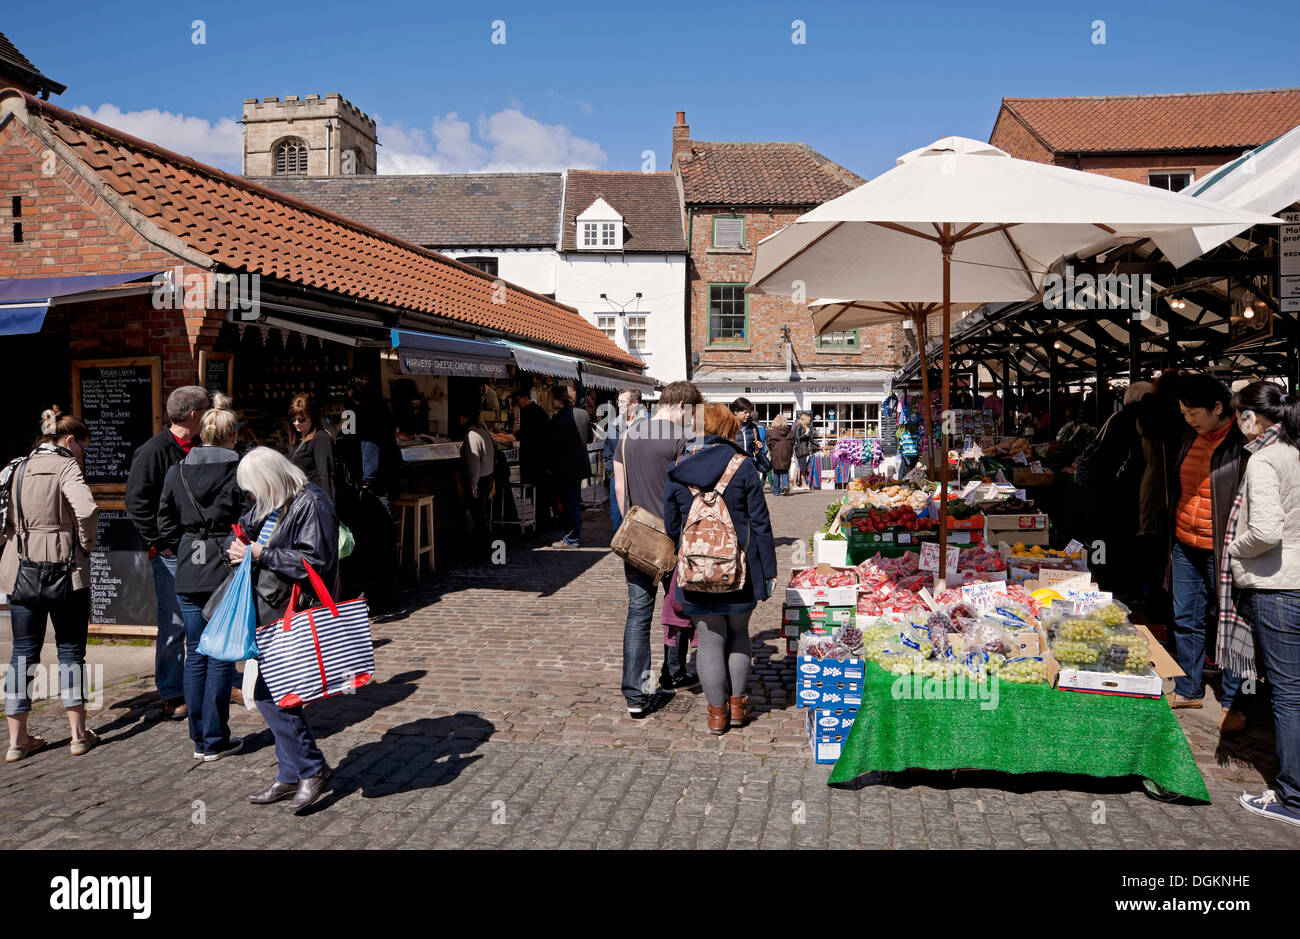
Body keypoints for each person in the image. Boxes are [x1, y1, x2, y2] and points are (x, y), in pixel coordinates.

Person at [228, 448, 338, 814]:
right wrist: (243, 544)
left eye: (256, 488)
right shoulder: (281, 500)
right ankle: (292, 773)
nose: (254, 496)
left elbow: (314, 561)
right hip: (275, 610)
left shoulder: (312, 503)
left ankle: (310, 768)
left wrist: (260, 554)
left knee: (272, 693)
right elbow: (251, 527)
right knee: (276, 691)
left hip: (297, 610)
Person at [664, 403, 777, 735]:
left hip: (696, 572)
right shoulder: (742, 467)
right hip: (739, 570)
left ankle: (716, 714)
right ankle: (738, 706)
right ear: (729, 430)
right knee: (739, 634)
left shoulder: (677, 467)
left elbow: (671, 525)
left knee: (710, 639)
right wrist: (768, 569)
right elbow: (760, 523)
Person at [1222, 382, 1300, 827]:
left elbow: (1266, 530)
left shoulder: (1266, 459)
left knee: (1288, 696)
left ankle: (1292, 797)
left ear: (1251, 418)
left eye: (1238, 414)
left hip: (1280, 587)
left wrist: (1235, 549)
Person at [1, 412, 99, 761]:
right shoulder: (67, 466)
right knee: (71, 651)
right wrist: (86, 543)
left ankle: (16, 741)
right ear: (69, 441)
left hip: (20, 569)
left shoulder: (14, 467)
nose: (82, 455)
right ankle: (77, 734)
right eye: (82, 448)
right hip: (66, 569)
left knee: (22, 654)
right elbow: (86, 510)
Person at [156, 403, 247, 761]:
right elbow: (252, 516)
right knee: (220, 654)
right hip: (225, 564)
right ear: (232, 436)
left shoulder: (177, 471)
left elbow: (164, 522)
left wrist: (185, 540)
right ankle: (214, 738)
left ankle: (200, 738)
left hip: (188, 565)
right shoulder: (240, 470)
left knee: (195, 651)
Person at [613, 380, 704, 716]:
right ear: (680, 406)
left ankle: (635, 695)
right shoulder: (681, 439)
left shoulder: (629, 435)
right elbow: (687, 494)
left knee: (638, 614)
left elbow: (620, 487)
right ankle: (672, 674)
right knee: (678, 610)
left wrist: (634, 525)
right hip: (673, 539)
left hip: (639, 538)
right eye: (690, 413)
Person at [1167, 374, 1249, 726]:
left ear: (1219, 407)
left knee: (1231, 623)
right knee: (1186, 617)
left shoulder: (1243, 444)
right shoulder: (1188, 437)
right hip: (1186, 542)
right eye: (1184, 413)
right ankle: (1189, 688)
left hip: (1225, 548)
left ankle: (1234, 701)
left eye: (1194, 413)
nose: (1189, 419)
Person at [126, 385, 210, 720]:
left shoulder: (201, 446)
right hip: (172, 553)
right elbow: (136, 502)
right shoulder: (154, 451)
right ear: (194, 415)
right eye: (207, 409)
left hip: (202, 547)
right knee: (175, 622)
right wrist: (159, 542)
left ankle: (219, 680)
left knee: (210, 615)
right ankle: (173, 691)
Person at [548, 384, 592, 548]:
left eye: (553, 398)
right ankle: (573, 534)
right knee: (574, 500)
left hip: (564, 468)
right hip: (579, 466)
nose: (551, 402)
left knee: (570, 502)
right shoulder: (583, 414)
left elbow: (553, 447)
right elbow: (590, 439)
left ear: (560, 400)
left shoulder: (558, 420)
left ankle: (571, 538)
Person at [602, 389, 646, 532]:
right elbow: (608, 452)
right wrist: (613, 475)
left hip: (641, 478)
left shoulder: (649, 424)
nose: (618, 404)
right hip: (618, 478)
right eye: (618, 401)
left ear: (634, 404)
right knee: (617, 518)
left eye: (622, 402)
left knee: (641, 515)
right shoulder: (613, 425)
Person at [513, 388, 555, 531]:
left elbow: (527, 436)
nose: (518, 404)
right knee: (541, 495)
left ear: (524, 397)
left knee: (539, 495)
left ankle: (542, 523)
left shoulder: (531, 412)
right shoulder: (539, 411)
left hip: (535, 462)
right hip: (540, 462)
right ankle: (543, 522)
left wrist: (517, 434)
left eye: (518, 401)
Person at [459, 401, 496, 562]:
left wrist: (473, 484)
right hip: (487, 477)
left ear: (464, 417)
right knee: (482, 514)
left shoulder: (472, 434)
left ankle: (482, 550)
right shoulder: (482, 431)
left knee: (478, 516)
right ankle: (484, 548)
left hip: (479, 480)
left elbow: (473, 461)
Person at [287, 393, 335, 505]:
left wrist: (326, 507)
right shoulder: (298, 439)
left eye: (302, 419)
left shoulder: (320, 438)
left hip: (316, 502)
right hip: (301, 500)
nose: (296, 423)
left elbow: (326, 476)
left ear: (312, 416)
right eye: (293, 419)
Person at [766, 414, 794, 496]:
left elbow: (768, 443)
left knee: (776, 471)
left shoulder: (771, 433)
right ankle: (785, 485)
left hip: (775, 453)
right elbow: (793, 443)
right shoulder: (790, 433)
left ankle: (776, 490)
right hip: (787, 453)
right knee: (785, 470)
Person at [793, 411, 818, 490]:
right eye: (808, 419)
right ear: (805, 419)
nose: (809, 421)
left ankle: (803, 484)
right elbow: (797, 438)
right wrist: (805, 434)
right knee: (797, 467)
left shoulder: (806, 427)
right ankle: (795, 485)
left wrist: (819, 445)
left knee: (803, 467)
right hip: (799, 449)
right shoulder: (798, 427)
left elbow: (810, 439)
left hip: (804, 449)